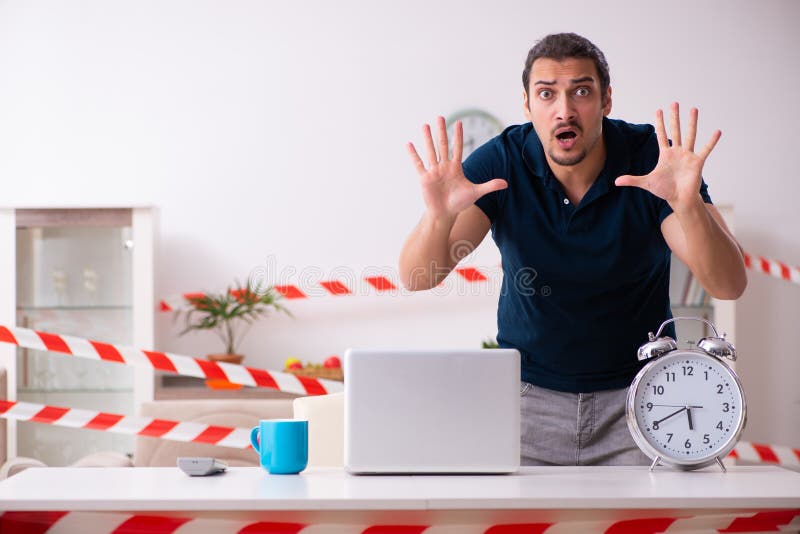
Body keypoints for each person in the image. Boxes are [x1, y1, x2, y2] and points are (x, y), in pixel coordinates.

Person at [398, 32, 747, 466]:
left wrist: (688, 204)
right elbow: (418, 277)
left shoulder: (652, 160)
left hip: (643, 401)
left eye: (581, 91)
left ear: (606, 101)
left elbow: (728, 284)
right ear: (527, 106)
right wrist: (436, 216)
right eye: (547, 94)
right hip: (528, 404)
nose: (565, 109)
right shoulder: (501, 162)